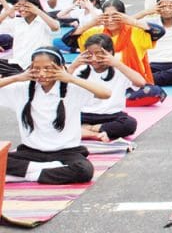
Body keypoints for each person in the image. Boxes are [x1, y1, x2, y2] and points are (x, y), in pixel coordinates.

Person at [0, 47, 111, 184]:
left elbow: (106, 93)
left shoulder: (73, 89)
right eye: (37, 68)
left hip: (66, 153)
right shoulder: (22, 88)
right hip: (31, 152)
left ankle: (27, 175)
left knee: (84, 170)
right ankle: (43, 170)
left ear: (60, 68)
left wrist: (70, 78)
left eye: (48, 68)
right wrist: (18, 77)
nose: (42, 73)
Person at [64, 0, 167, 106]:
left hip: (129, 84)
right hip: (100, 83)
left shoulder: (135, 32)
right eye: (106, 16)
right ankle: (108, 98)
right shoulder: (96, 33)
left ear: (123, 16)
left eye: (115, 16)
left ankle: (106, 99)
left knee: (155, 92)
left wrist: (132, 21)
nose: (110, 20)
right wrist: (92, 23)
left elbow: (160, 31)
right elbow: (67, 40)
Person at [70, 34, 145, 142]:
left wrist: (117, 63)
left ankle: (87, 130)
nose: (94, 58)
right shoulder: (80, 70)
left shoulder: (119, 70)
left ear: (109, 53)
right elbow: (60, 86)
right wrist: (73, 66)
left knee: (130, 124)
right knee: (60, 121)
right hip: (84, 115)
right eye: (90, 54)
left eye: (98, 54)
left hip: (111, 116)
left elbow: (141, 82)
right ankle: (95, 134)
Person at [0, 0, 60, 76]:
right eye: (19, 6)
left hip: (37, 64)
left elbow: (55, 27)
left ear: (35, 6)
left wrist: (37, 11)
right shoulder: (17, 22)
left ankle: (20, 76)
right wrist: (11, 10)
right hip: (17, 63)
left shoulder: (44, 21)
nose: (21, 9)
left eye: (26, 6)